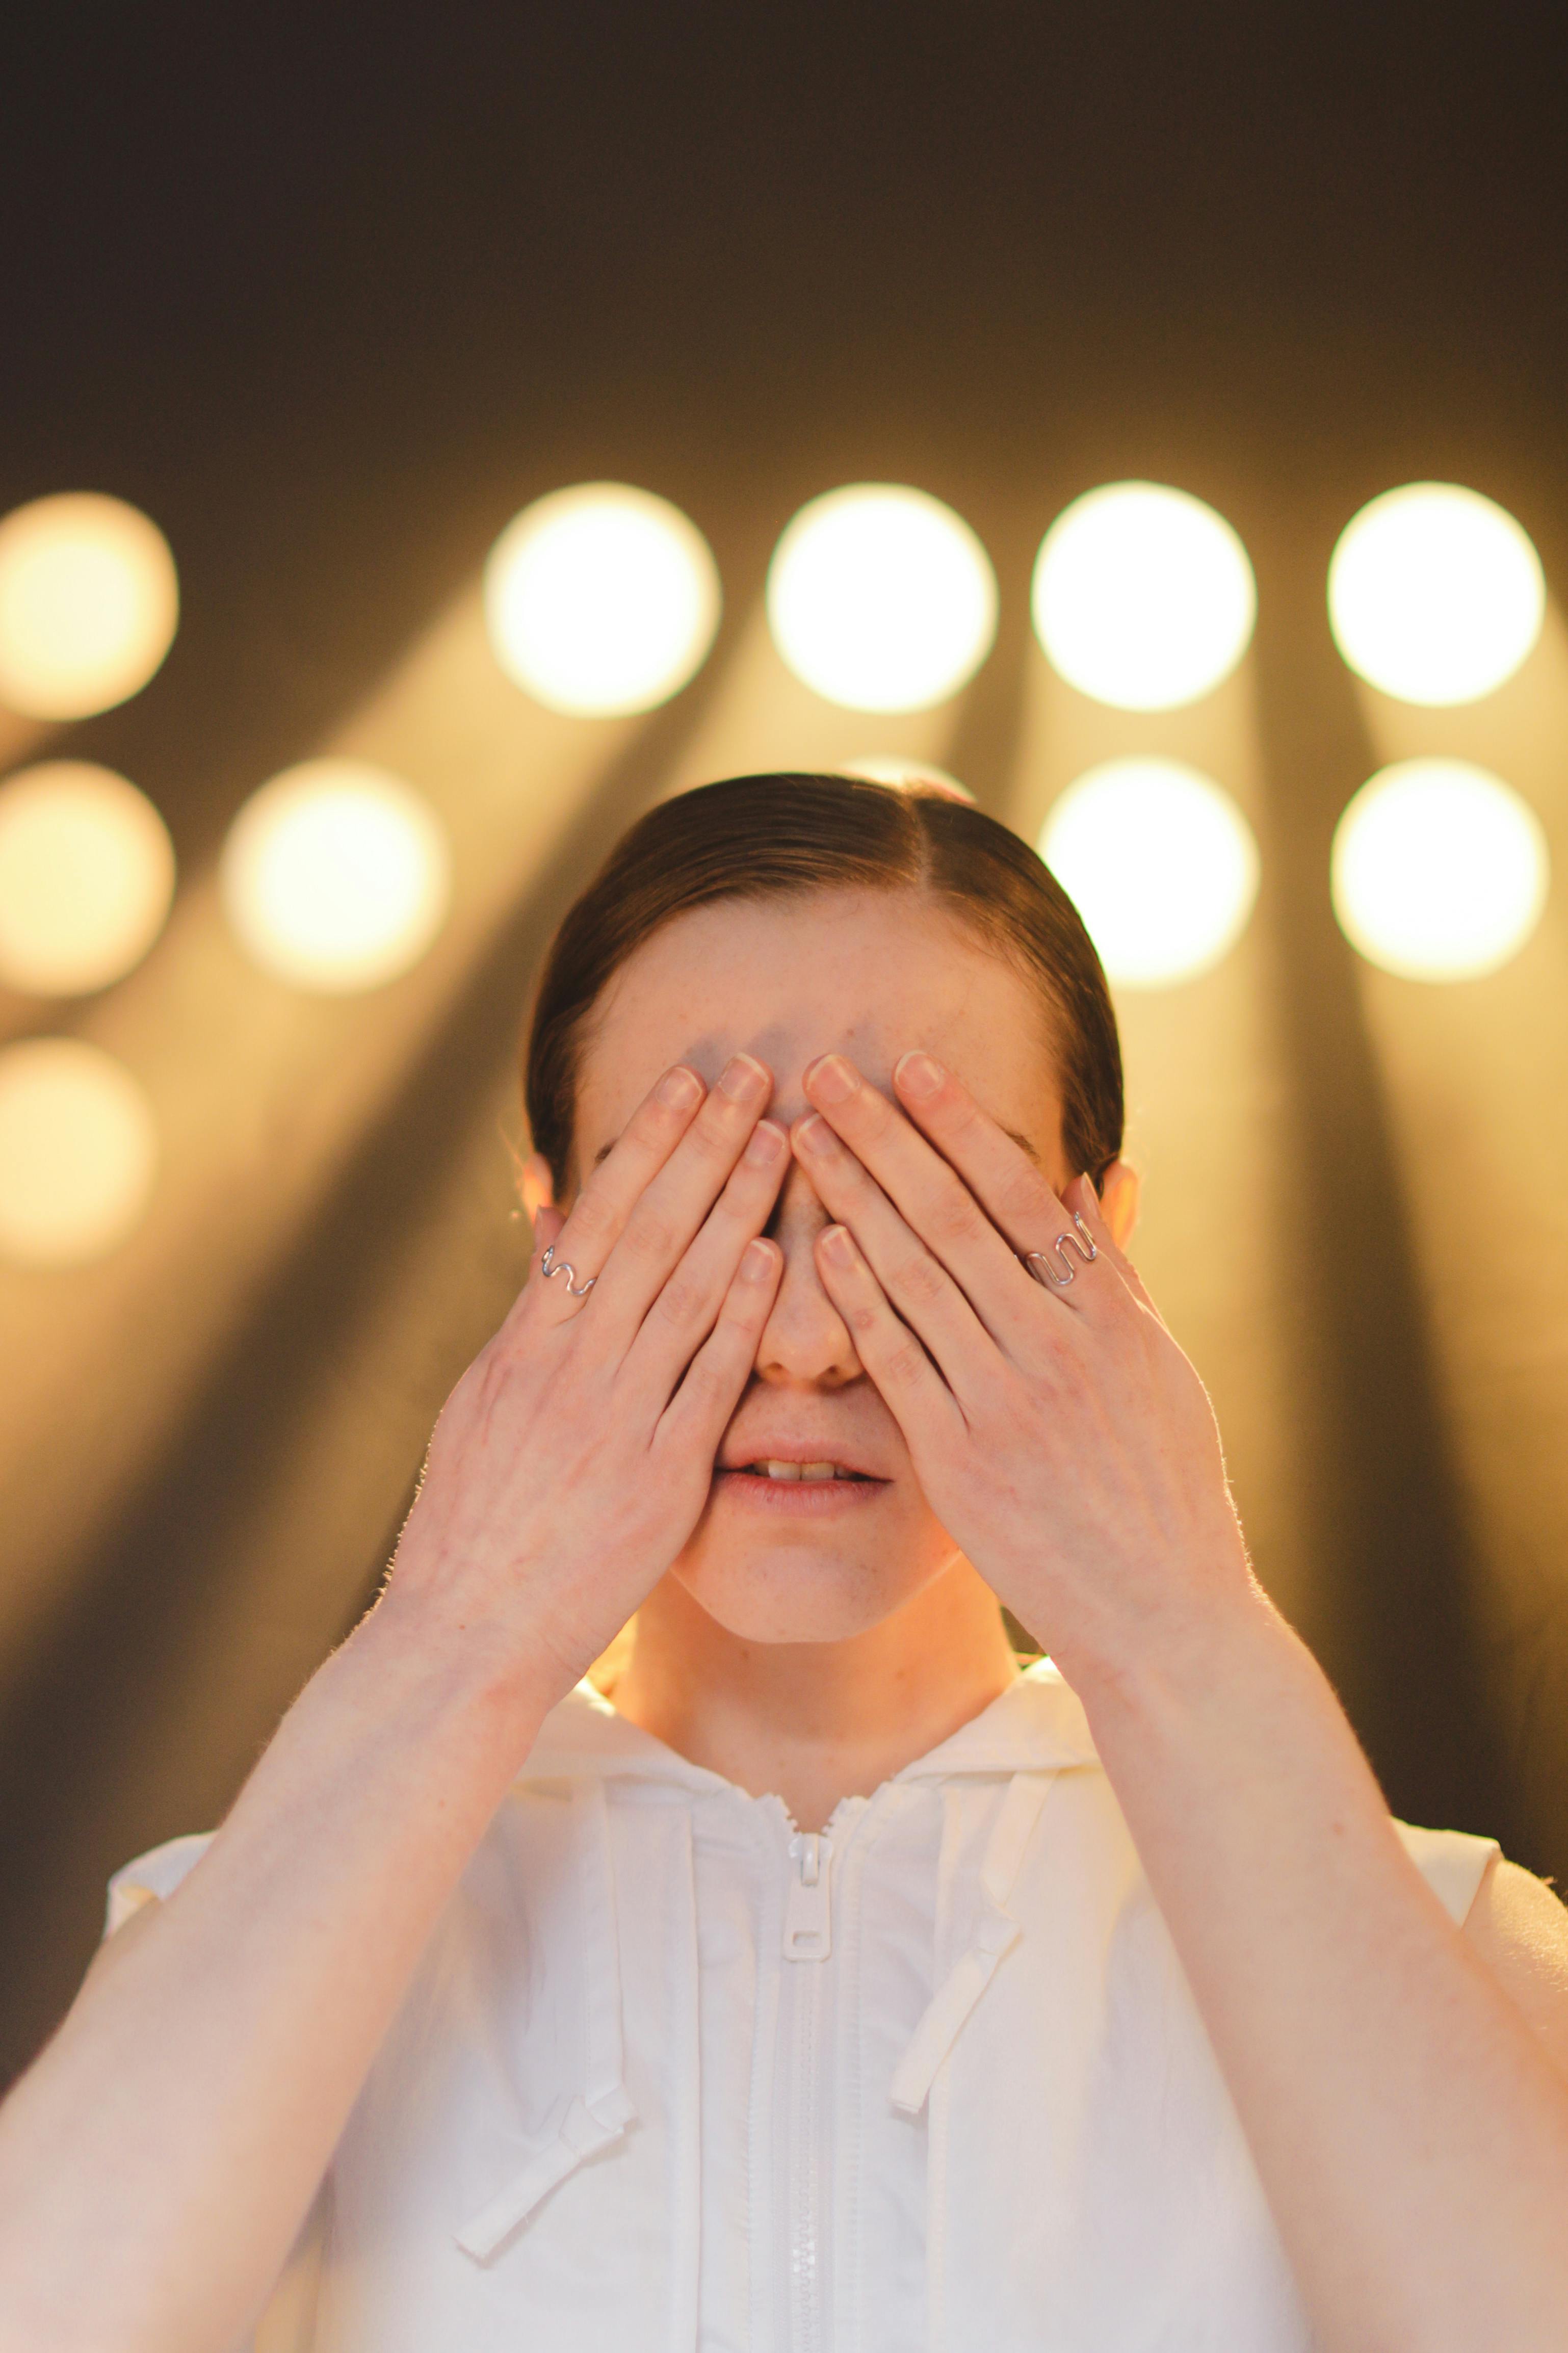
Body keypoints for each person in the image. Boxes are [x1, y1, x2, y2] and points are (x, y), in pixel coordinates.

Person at [2, 771, 1566, 2353]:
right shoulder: (262, 1919)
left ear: (1102, 1242)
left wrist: (1178, 1631)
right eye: (706, 1206)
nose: (812, 1341)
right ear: (552, 1236)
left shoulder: (1429, 1934)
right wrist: (456, 1627)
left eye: (921, 1203)